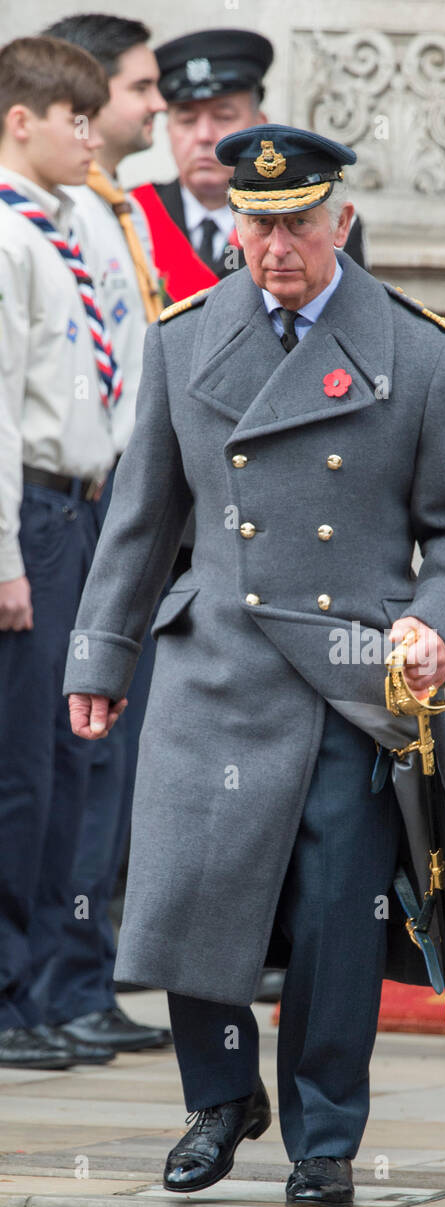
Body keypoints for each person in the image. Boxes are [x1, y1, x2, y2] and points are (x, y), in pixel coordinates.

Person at [63, 124, 445, 1207]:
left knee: (332, 922)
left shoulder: (420, 351)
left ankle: (323, 1133)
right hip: (210, 665)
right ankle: (218, 1101)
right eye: (258, 224)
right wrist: (101, 654)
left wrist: (438, 627)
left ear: (340, 223)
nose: (276, 247)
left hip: (349, 686)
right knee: (189, 895)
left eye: (299, 222)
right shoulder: (183, 340)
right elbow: (140, 520)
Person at [39, 13, 171, 1053]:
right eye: (139, 88)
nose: (155, 107)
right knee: (51, 758)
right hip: (56, 507)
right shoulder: (49, 221)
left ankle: (78, 975)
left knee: (96, 762)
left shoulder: (119, 213)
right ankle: (44, 982)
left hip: (113, 504)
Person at [0, 35, 118, 1069]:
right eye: (74, 119)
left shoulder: (68, 225)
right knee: (19, 771)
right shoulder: (5, 236)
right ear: (19, 119)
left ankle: (37, 989)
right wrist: (4, 556)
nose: (93, 138)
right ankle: (4, 993)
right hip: (28, 515)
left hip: (80, 510)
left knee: (66, 766)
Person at [131, 28, 369, 302]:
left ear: (259, 124)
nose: (203, 136)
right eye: (187, 120)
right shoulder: (134, 215)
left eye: (223, 116)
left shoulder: (326, 219)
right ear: (168, 129)